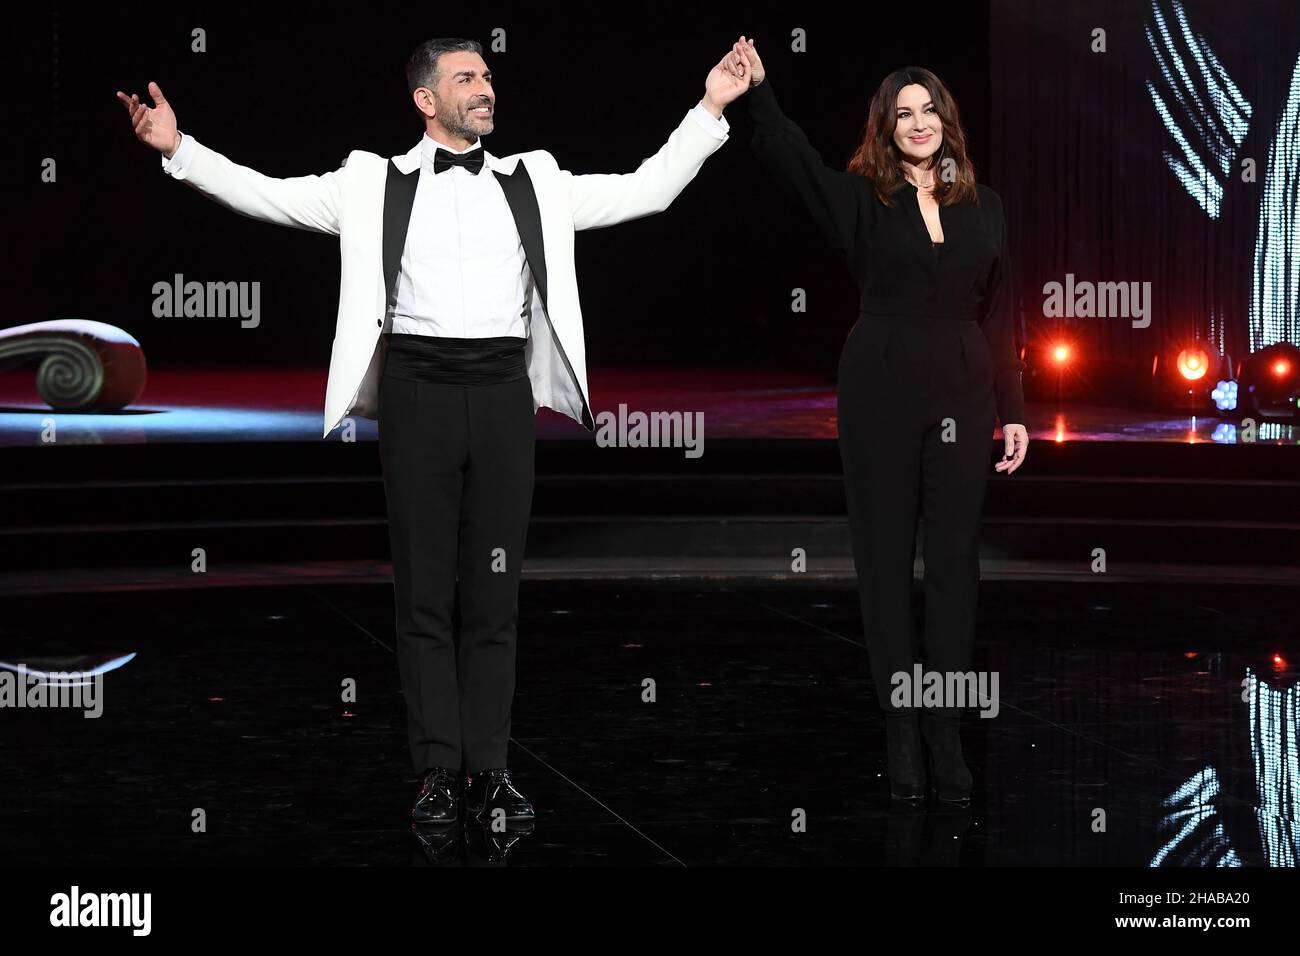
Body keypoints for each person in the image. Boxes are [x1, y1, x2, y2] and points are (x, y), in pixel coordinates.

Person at [117, 37, 747, 827]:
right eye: (467, 78)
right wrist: (179, 148)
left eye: (487, 76)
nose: (486, 88)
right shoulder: (368, 181)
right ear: (426, 99)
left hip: (502, 394)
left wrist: (712, 107)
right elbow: (265, 193)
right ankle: (437, 774)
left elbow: (647, 190)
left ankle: (490, 769)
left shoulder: (537, 180)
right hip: (417, 394)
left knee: (493, 599)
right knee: (422, 597)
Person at [728, 37, 1028, 805]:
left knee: (956, 564)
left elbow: (1002, 316)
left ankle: (944, 730)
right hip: (881, 390)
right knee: (886, 563)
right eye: (904, 113)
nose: (919, 122)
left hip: (964, 394)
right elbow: (794, 163)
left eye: (929, 109)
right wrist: (759, 94)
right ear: (886, 128)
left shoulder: (983, 204)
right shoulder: (865, 197)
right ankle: (901, 726)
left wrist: (1015, 409)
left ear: (946, 121)